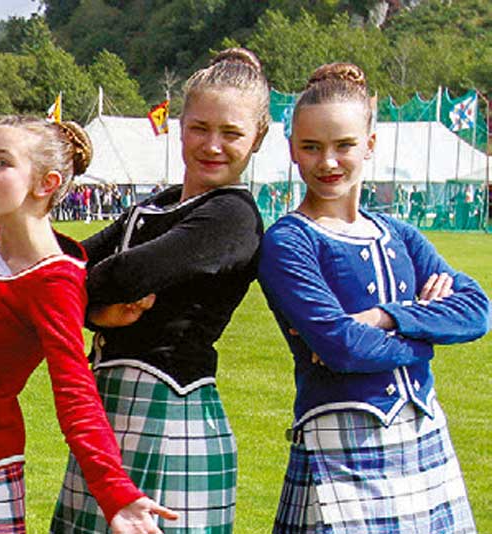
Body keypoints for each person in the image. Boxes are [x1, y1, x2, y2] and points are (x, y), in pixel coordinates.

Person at [0, 4, 173, 532]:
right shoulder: (2, 234)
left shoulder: (53, 280)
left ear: (46, 185)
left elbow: (74, 390)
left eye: (2, 163)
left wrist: (116, 493)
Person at [262, 62, 487, 534]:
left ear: (369, 144)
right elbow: (341, 347)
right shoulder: (289, 241)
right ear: (292, 152)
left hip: (423, 433)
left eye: (344, 145)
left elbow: (476, 310)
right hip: (340, 443)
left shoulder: (399, 234)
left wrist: (387, 316)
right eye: (311, 147)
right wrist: (426, 332)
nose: (328, 162)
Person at [52, 47, 269, 534]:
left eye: (231, 133)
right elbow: (68, 267)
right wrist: (94, 314)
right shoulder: (155, 205)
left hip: (172, 418)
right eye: (199, 128)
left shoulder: (233, 216)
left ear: (258, 138)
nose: (212, 145)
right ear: (179, 125)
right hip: (109, 412)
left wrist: (83, 299)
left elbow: (124, 276)